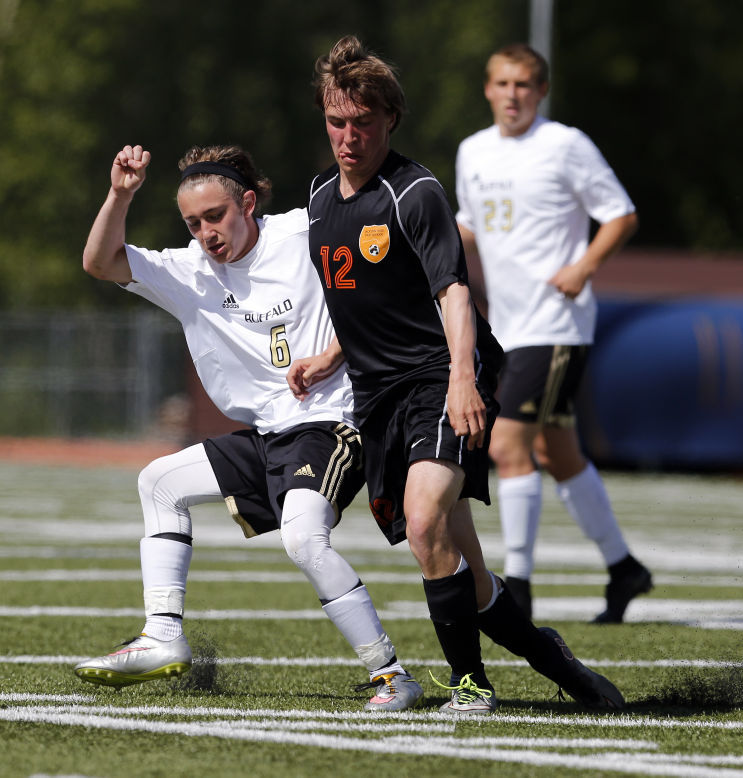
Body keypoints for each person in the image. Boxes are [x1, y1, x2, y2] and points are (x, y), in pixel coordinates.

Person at [290, 34, 624, 714]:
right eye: (336, 122)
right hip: (377, 397)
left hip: (442, 378)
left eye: (363, 123)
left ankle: (471, 685)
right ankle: (557, 661)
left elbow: (453, 292)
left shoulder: (415, 193)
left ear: (390, 120)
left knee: (422, 523)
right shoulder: (322, 195)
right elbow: (359, 299)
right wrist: (330, 354)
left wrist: (464, 379)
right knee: (461, 569)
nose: (348, 136)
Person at [73, 142, 423, 712]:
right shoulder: (188, 269)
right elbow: (99, 262)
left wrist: (336, 353)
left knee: (303, 537)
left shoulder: (304, 231)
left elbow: (385, 284)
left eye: (216, 216)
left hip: (333, 424)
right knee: (159, 482)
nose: (206, 232)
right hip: (270, 435)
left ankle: (392, 675)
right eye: (193, 223)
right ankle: (162, 635)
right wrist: (120, 195)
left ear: (249, 204)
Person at [455, 43, 652, 624]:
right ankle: (623, 568)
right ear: (487, 89)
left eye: (524, 84)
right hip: (507, 326)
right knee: (555, 450)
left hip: (556, 324)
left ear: (539, 92)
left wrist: (584, 266)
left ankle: (517, 584)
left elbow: (621, 214)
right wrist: (427, 257)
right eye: (502, 83)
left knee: (508, 445)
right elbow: (469, 224)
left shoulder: (564, 144)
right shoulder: (473, 151)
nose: (512, 94)